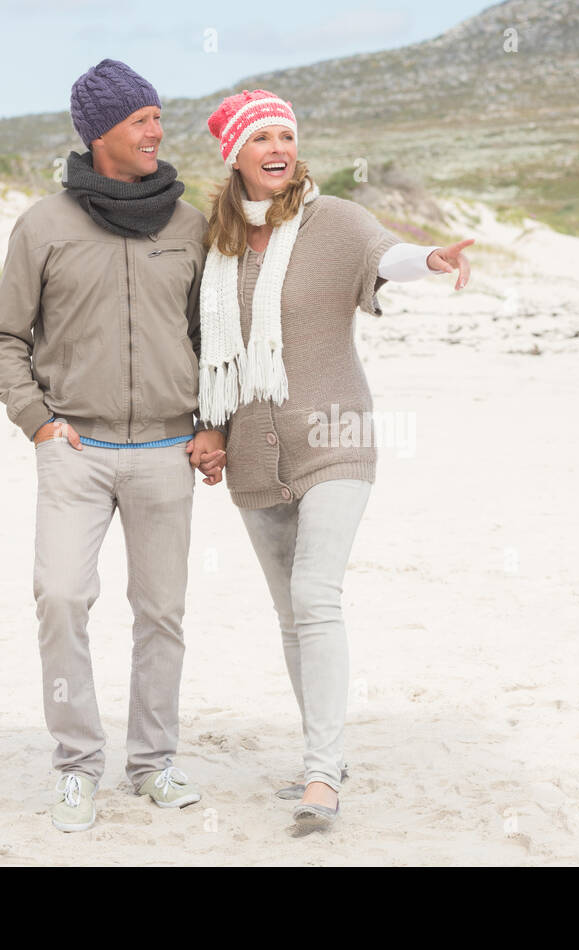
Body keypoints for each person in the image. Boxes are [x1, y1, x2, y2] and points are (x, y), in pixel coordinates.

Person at [192, 89, 474, 831]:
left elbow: (388, 254)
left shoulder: (335, 220)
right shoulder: (212, 244)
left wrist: (432, 259)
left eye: (287, 134)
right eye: (262, 138)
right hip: (253, 449)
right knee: (291, 615)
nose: (278, 147)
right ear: (237, 156)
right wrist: (210, 427)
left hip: (337, 436)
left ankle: (322, 777)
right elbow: (203, 349)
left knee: (316, 596)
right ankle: (327, 756)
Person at [0, 59, 225, 833]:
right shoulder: (43, 226)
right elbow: (4, 338)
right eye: (141, 120)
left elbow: (210, 336)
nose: (158, 131)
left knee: (161, 613)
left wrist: (214, 424)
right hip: (74, 449)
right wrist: (39, 422)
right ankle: (78, 768)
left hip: (168, 448)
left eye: (157, 116)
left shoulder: (190, 225)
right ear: (99, 134)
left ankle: (152, 764)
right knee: (59, 597)